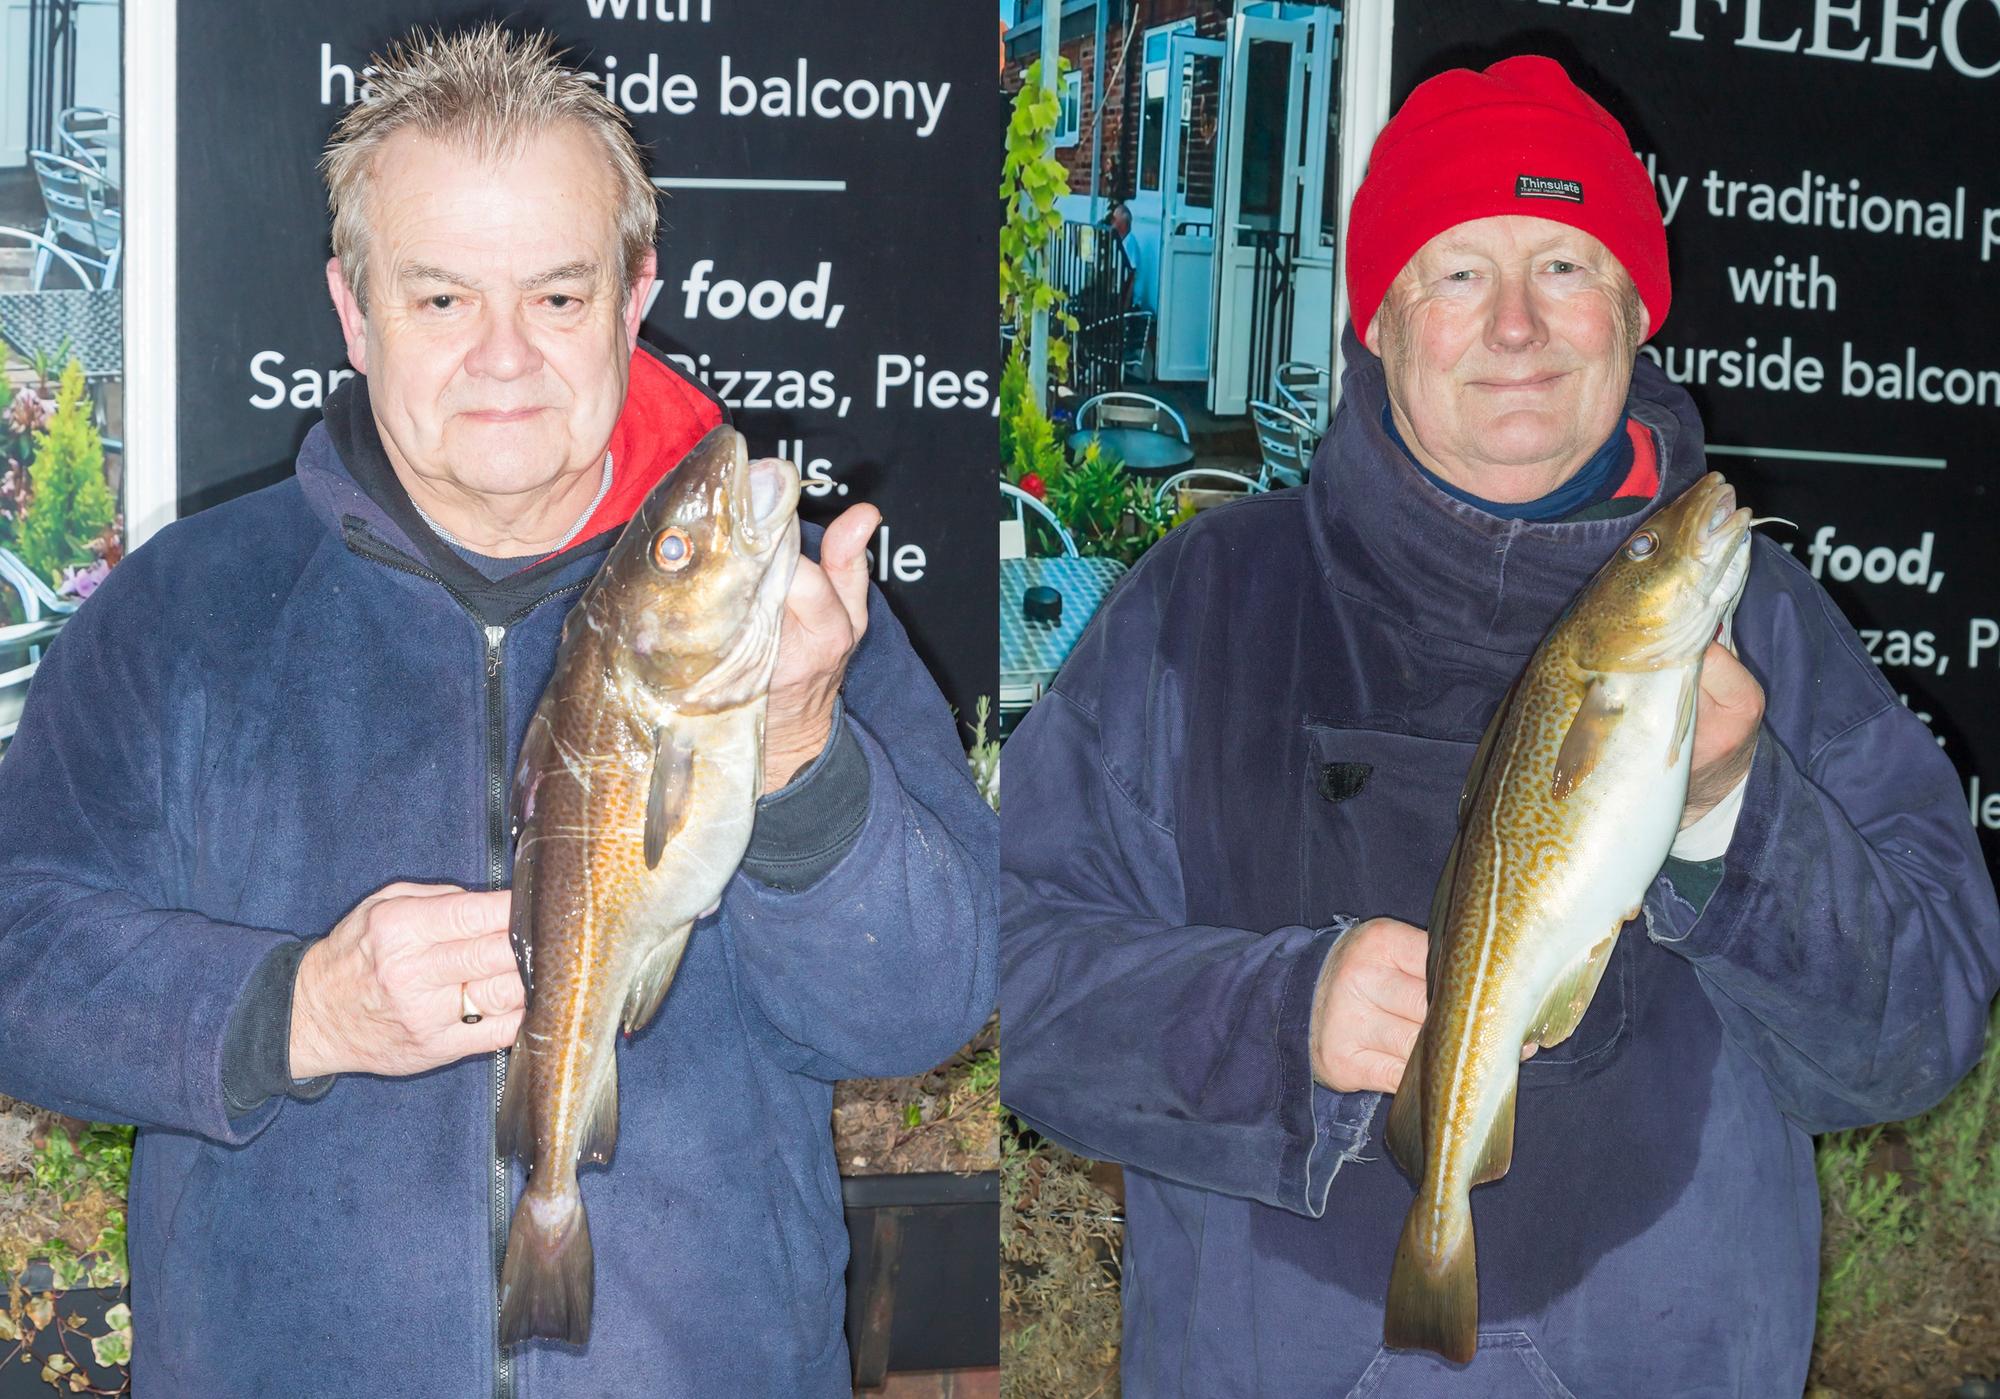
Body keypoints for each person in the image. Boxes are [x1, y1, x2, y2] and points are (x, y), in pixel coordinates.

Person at [0, 25, 995, 1398]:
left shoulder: (800, 620)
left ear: (636, 296)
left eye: (559, 296)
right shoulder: (183, 615)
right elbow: (20, 958)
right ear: (353, 312)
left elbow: (920, 1007)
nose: (505, 358)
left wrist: (802, 757)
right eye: (441, 300)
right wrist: (300, 1009)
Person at [1000, 54, 1999, 1396]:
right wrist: (1279, 1016)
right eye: (1460, 273)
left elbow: (1916, 1036)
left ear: (1637, 311)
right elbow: (1020, 984)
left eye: (1568, 269)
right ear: (1381, 321)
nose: (1517, 328)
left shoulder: (1769, 628)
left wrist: (1732, 813)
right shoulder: (1206, 600)